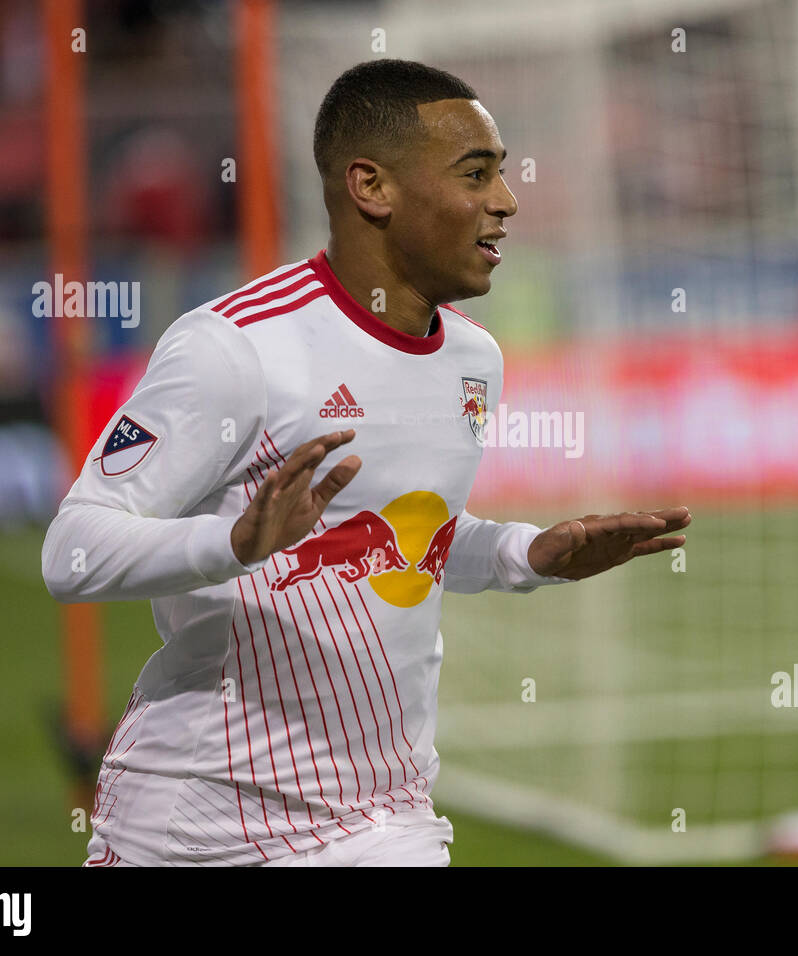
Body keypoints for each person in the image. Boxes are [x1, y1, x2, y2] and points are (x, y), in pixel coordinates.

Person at [42, 58, 691, 867]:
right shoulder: (237, 349)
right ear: (371, 187)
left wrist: (527, 554)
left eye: (504, 175)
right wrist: (235, 546)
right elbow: (72, 552)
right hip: (195, 817)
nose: (506, 201)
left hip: (380, 820)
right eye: (475, 173)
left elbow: (395, 537)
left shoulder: (472, 361)